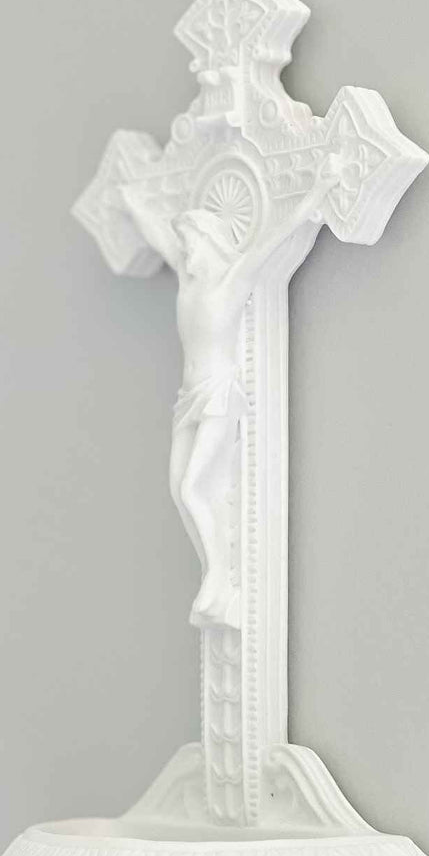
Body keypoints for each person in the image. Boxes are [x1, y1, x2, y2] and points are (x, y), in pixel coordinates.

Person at [121, 154, 348, 627]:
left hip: (220, 395)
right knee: (179, 490)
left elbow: (276, 237)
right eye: (184, 244)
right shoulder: (187, 281)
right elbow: (158, 236)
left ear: (209, 241)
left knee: (194, 486)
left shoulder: (230, 282)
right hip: (188, 399)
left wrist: (318, 190)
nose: (185, 251)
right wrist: (130, 199)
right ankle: (217, 574)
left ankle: (219, 580)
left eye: (191, 243)